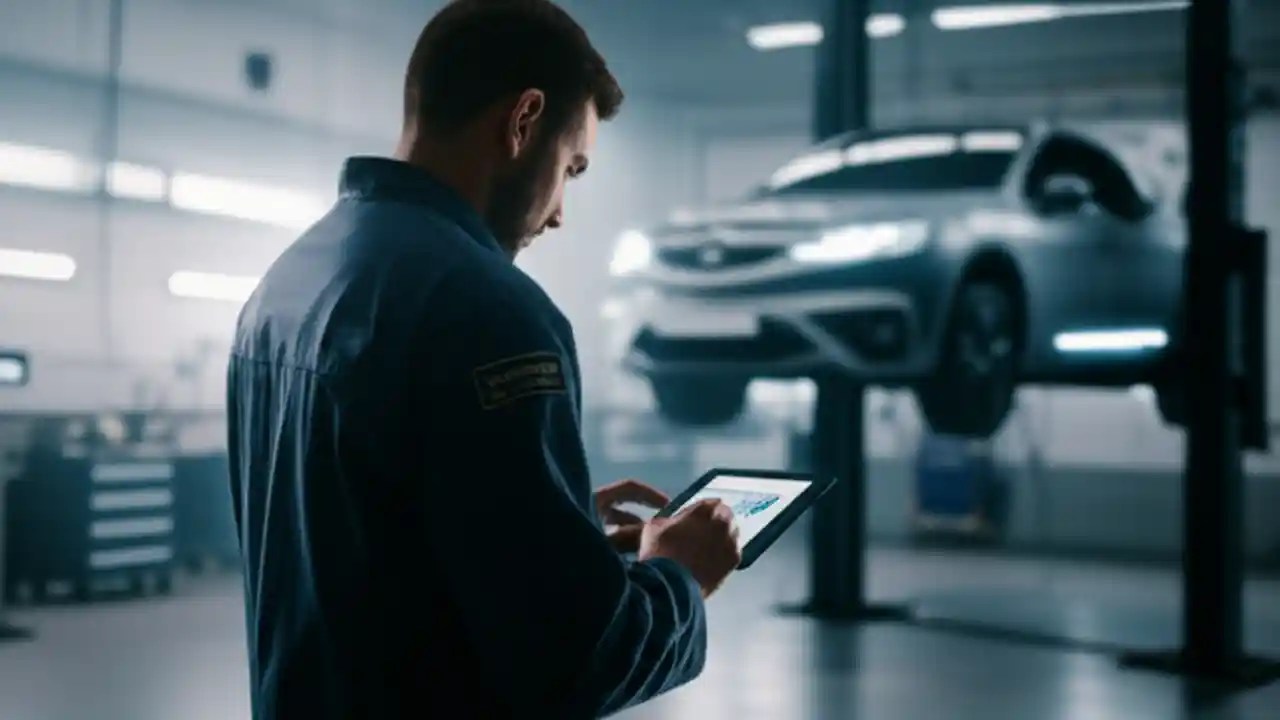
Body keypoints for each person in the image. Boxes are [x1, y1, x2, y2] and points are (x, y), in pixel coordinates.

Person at [224, 1, 742, 718]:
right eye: (572, 166)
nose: (559, 211)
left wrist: (544, 520)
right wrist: (680, 576)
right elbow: (576, 661)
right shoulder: (491, 309)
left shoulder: (286, 283)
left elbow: (360, 533)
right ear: (523, 121)